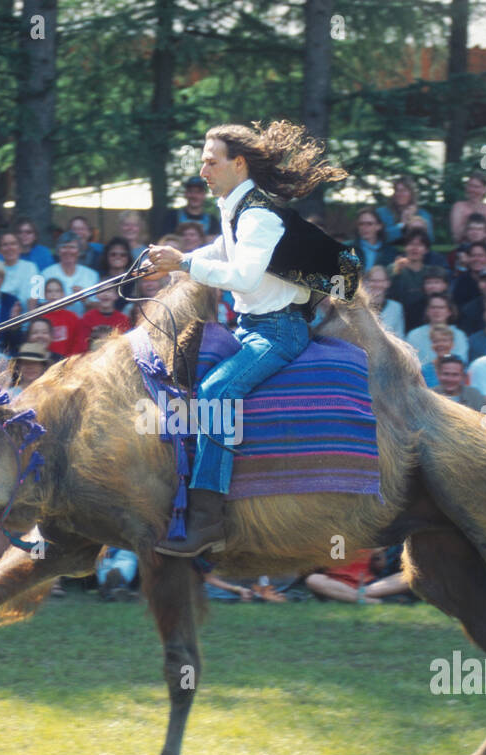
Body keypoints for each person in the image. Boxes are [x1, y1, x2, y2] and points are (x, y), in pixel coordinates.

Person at [145, 119, 351, 555]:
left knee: (217, 392)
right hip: (251, 326)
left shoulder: (257, 214)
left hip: (279, 332)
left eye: (210, 163)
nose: (203, 173)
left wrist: (182, 262)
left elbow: (243, 275)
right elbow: (225, 252)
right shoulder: (236, 205)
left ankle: (207, 521)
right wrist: (172, 263)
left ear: (238, 165)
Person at [449, 171, 486, 246]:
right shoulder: (459, 207)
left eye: (476, 187)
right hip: (466, 250)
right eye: (470, 186)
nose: (472, 190)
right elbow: (456, 237)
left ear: (485, 189)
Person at [0, 231, 39, 310]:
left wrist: (31, 320)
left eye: (13, 244)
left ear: (20, 248)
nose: (9, 248)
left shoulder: (31, 267)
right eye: (5, 245)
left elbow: (33, 297)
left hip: (25, 317)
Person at [363, 264, 405, 338]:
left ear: (388, 283)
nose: (377, 285)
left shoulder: (396, 308)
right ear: (365, 283)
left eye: (381, 281)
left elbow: (400, 337)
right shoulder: (358, 307)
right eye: (373, 281)